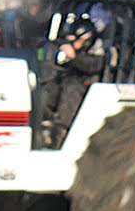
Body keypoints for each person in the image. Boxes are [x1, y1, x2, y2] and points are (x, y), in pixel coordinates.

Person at [39, 19, 105, 147]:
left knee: (71, 89)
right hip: (67, 81)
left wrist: (74, 57)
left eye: (77, 40)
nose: (74, 44)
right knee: (47, 88)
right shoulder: (74, 50)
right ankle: (44, 121)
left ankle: (62, 133)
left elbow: (93, 66)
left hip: (86, 87)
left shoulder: (98, 51)